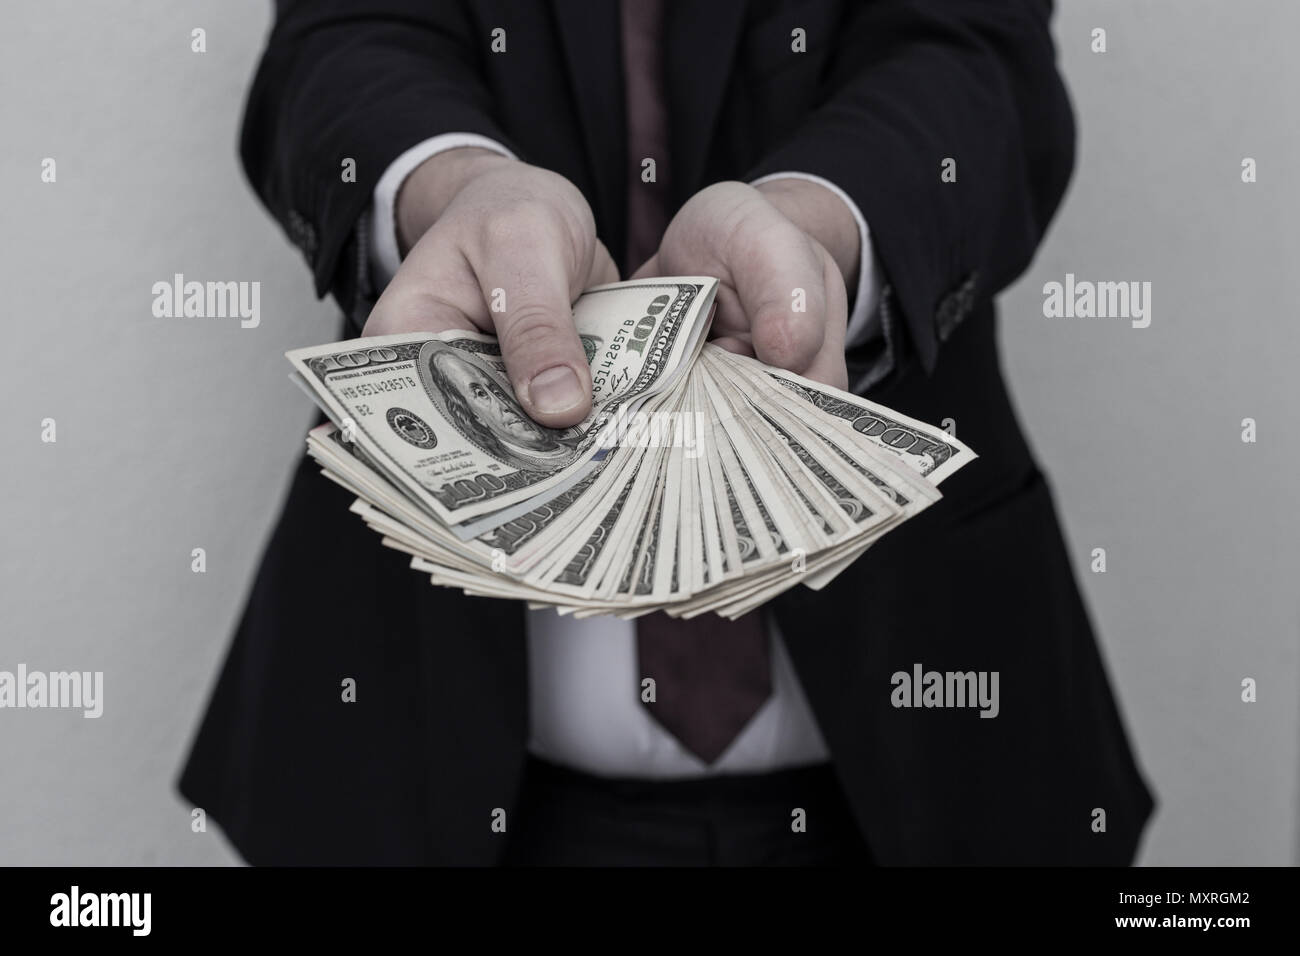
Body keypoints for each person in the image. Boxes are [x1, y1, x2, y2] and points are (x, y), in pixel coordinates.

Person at [179, 0, 1155, 865]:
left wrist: (815, 235)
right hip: (438, 755)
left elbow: (972, 57)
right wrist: (454, 190)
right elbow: (345, 39)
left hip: (917, 750)